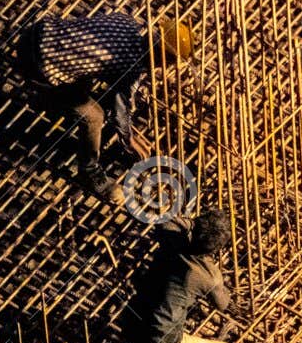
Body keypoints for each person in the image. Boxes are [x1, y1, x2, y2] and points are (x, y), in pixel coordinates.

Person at [17, 11, 193, 201]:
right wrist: (128, 139)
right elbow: (120, 107)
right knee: (94, 116)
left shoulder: (128, 21)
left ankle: (51, 99)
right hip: (36, 65)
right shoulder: (132, 64)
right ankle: (89, 171)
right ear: (160, 56)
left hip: (36, 32)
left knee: (88, 76)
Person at [124, 210, 236, 343]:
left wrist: (190, 224)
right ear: (218, 248)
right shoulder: (209, 277)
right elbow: (223, 304)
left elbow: (166, 217)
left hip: (129, 321)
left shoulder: (171, 234)